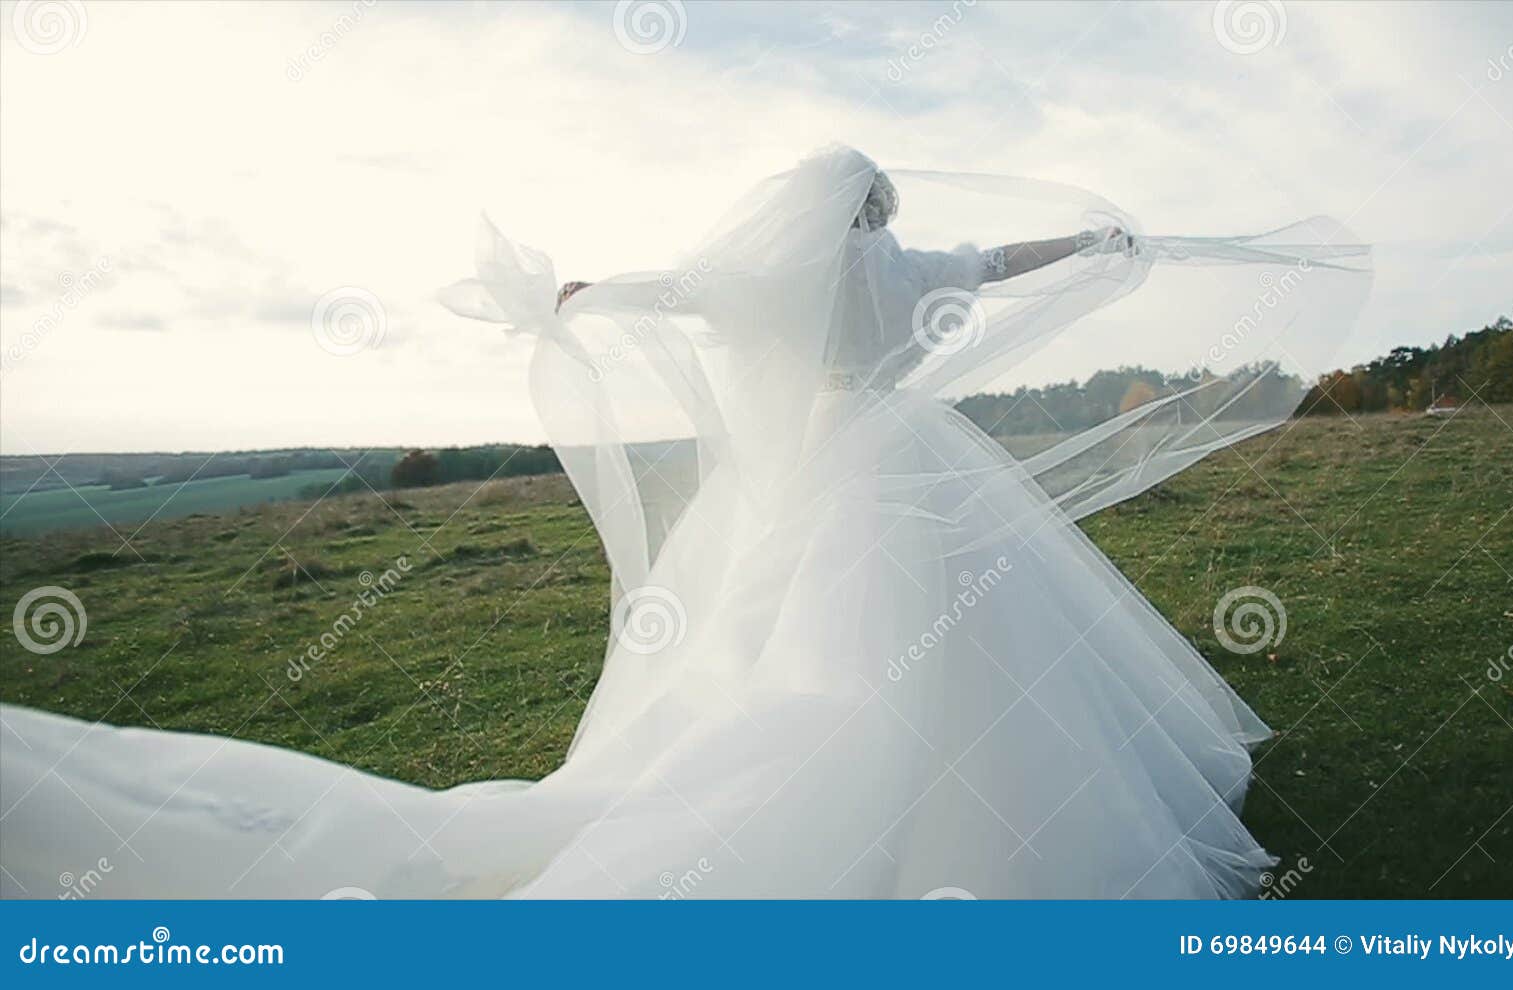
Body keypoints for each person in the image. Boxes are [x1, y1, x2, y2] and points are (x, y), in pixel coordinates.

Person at [0, 147, 1370, 898]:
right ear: (872, 214)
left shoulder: (785, 287)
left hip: (821, 473)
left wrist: (587, 294)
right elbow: (997, 264)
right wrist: (1091, 246)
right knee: (947, 655)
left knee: (796, 658)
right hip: (902, 464)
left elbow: (681, 292)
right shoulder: (908, 267)